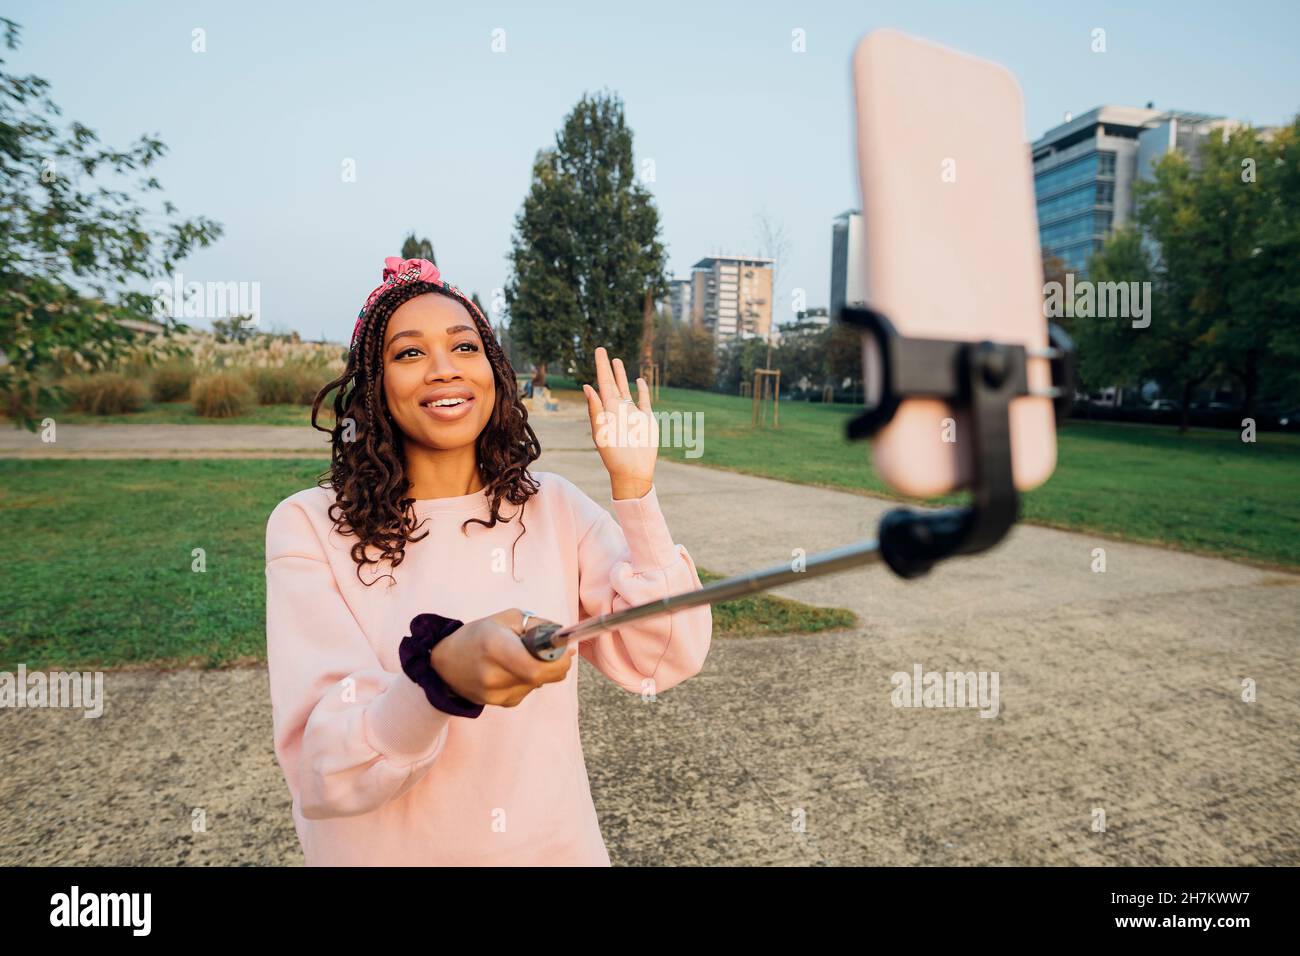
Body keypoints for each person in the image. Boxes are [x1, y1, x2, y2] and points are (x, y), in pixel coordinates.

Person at [264, 256, 711, 865]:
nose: (444, 369)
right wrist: (438, 678)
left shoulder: (555, 507)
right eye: (409, 353)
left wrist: (635, 491)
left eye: (464, 346)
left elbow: (665, 655)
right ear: (374, 386)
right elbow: (326, 770)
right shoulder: (308, 525)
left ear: (494, 370)